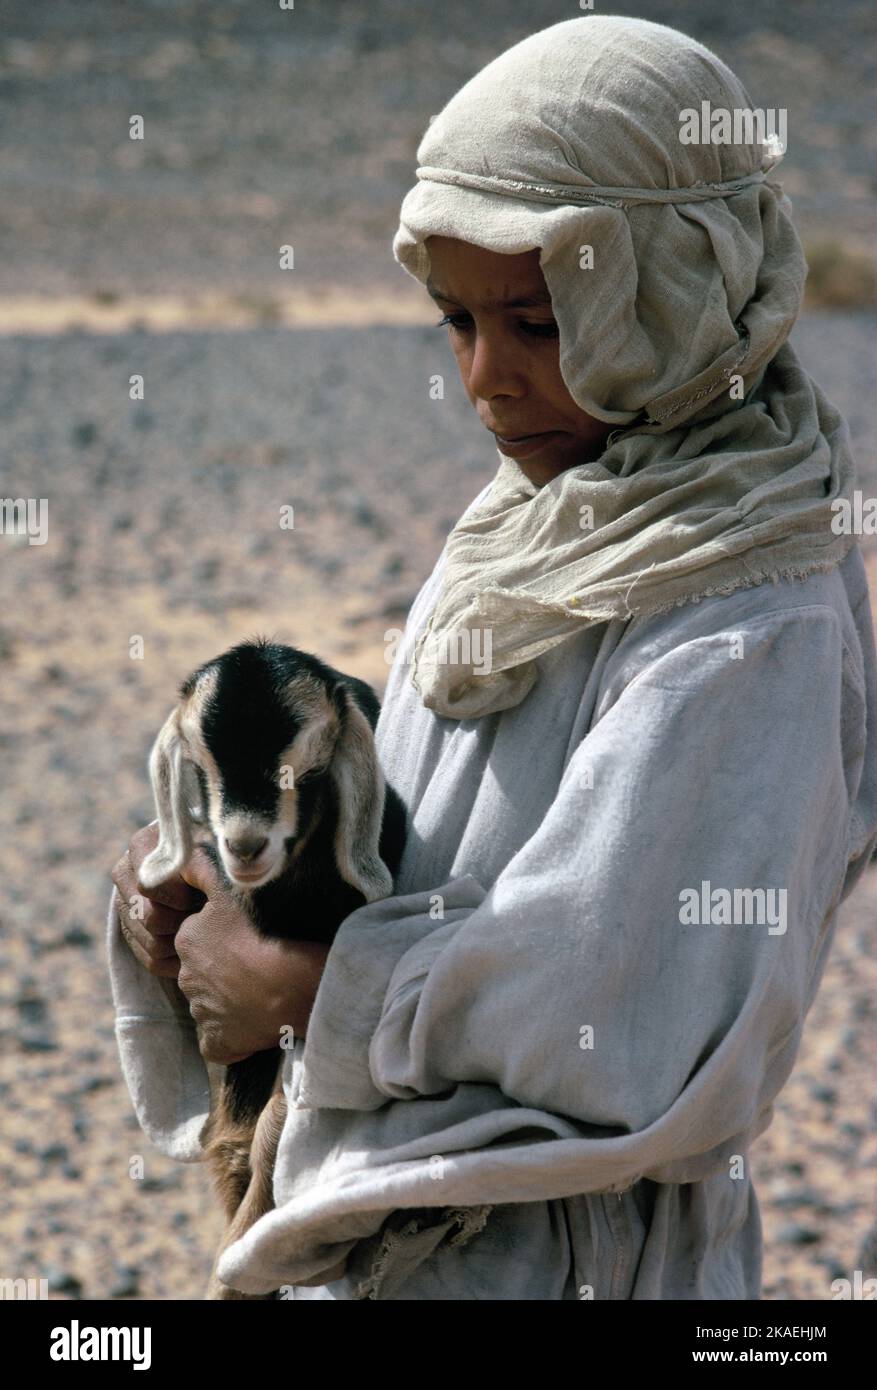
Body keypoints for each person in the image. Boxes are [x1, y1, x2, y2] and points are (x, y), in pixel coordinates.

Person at [107, 15, 877, 1299]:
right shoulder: (538, 521)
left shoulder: (748, 617)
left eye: (537, 320)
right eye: (454, 320)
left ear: (675, 289)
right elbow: (417, 851)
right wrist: (234, 894)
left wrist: (309, 993)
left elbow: (624, 1017)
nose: (485, 379)